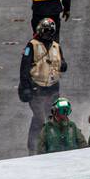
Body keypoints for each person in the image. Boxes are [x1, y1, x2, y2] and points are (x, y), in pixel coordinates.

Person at [19, 18, 67, 154]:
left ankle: (52, 147)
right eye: (45, 31)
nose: (47, 34)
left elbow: (62, 62)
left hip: (52, 89)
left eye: (50, 32)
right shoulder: (32, 46)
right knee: (39, 118)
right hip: (36, 89)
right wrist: (26, 87)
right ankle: (32, 147)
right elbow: (24, 68)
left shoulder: (56, 46)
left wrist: (63, 65)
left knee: (53, 118)